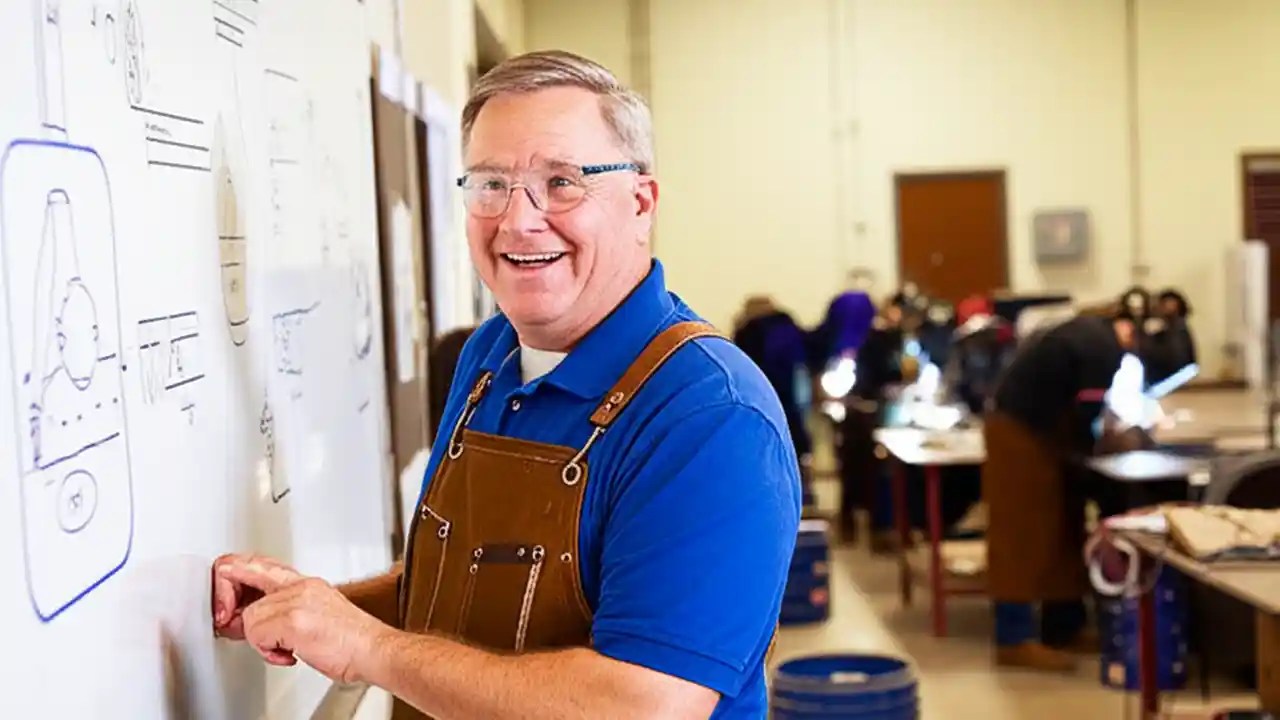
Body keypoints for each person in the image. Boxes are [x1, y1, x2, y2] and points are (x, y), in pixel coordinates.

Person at [209, 50, 801, 719]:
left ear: (641, 202)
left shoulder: (710, 418)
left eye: (562, 182)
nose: (519, 220)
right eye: (490, 184)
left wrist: (367, 647)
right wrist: (318, 605)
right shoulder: (489, 354)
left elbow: (639, 707)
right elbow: (462, 585)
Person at [983, 311, 1146, 672]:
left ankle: (1065, 626)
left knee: (1064, 529)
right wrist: (1110, 442)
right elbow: (1090, 409)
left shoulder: (1086, 332)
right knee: (1020, 534)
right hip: (1018, 433)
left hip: (1044, 433)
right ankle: (1013, 639)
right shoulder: (1101, 345)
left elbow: (1084, 408)